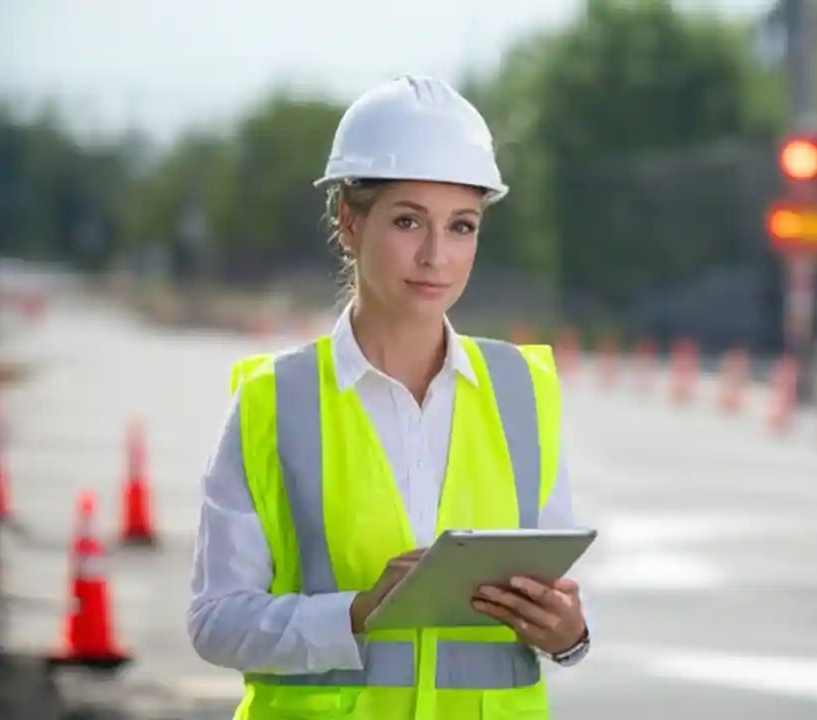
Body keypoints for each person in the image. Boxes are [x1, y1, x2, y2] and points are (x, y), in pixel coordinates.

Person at [187, 75, 590, 720]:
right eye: (408, 221)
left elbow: (560, 600)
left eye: (462, 226)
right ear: (349, 220)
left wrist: (569, 635)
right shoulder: (275, 401)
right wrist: (356, 612)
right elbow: (214, 619)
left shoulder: (521, 393)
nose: (437, 255)